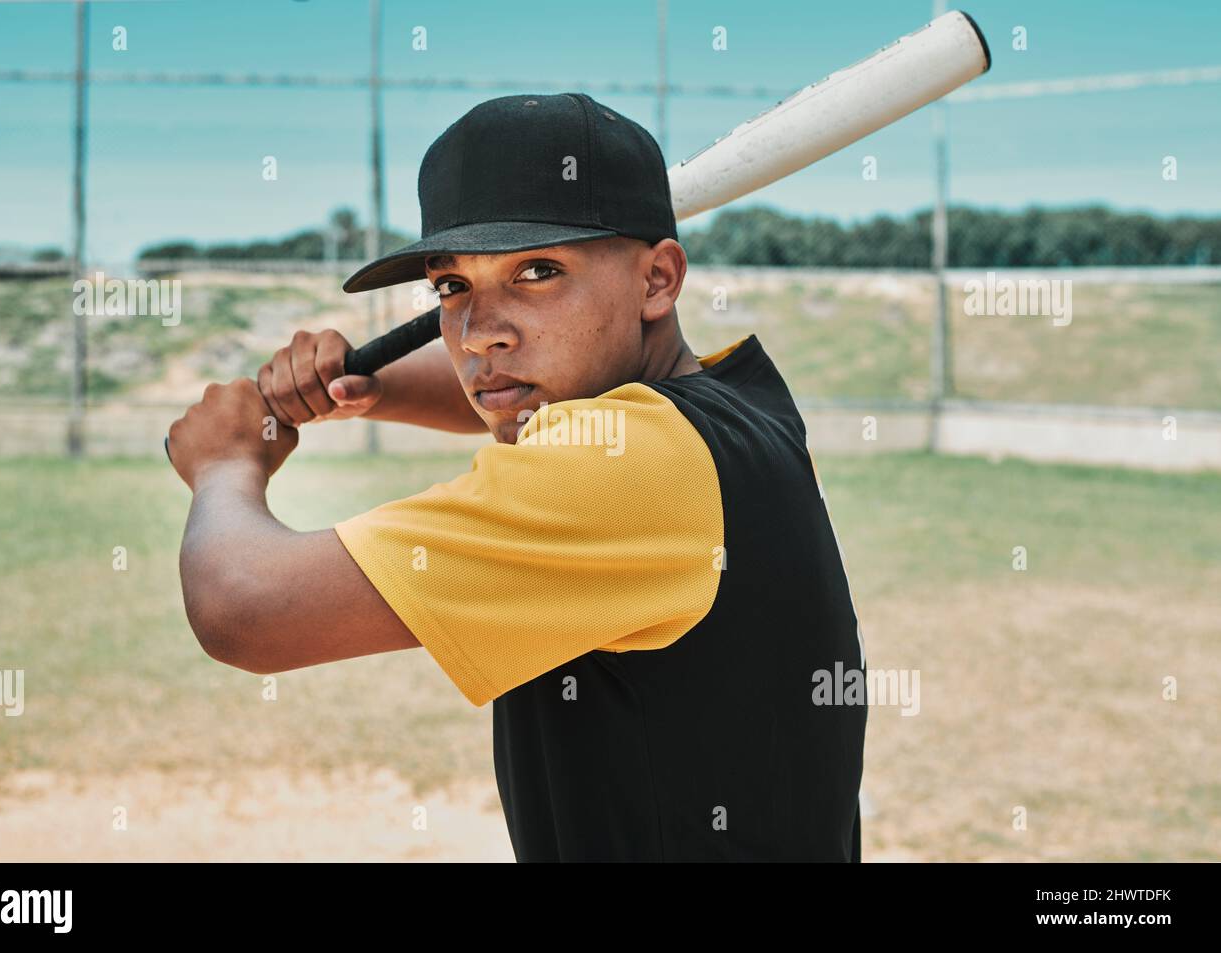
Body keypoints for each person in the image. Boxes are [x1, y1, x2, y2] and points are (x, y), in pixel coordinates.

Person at [168, 92, 867, 862]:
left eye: (537, 271)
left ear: (657, 281)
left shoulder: (623, 461)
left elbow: (246, 608)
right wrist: (374, 389)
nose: (479, 335)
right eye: (451, 287)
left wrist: (225, 461)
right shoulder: (736, 405)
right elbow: (539, 389)